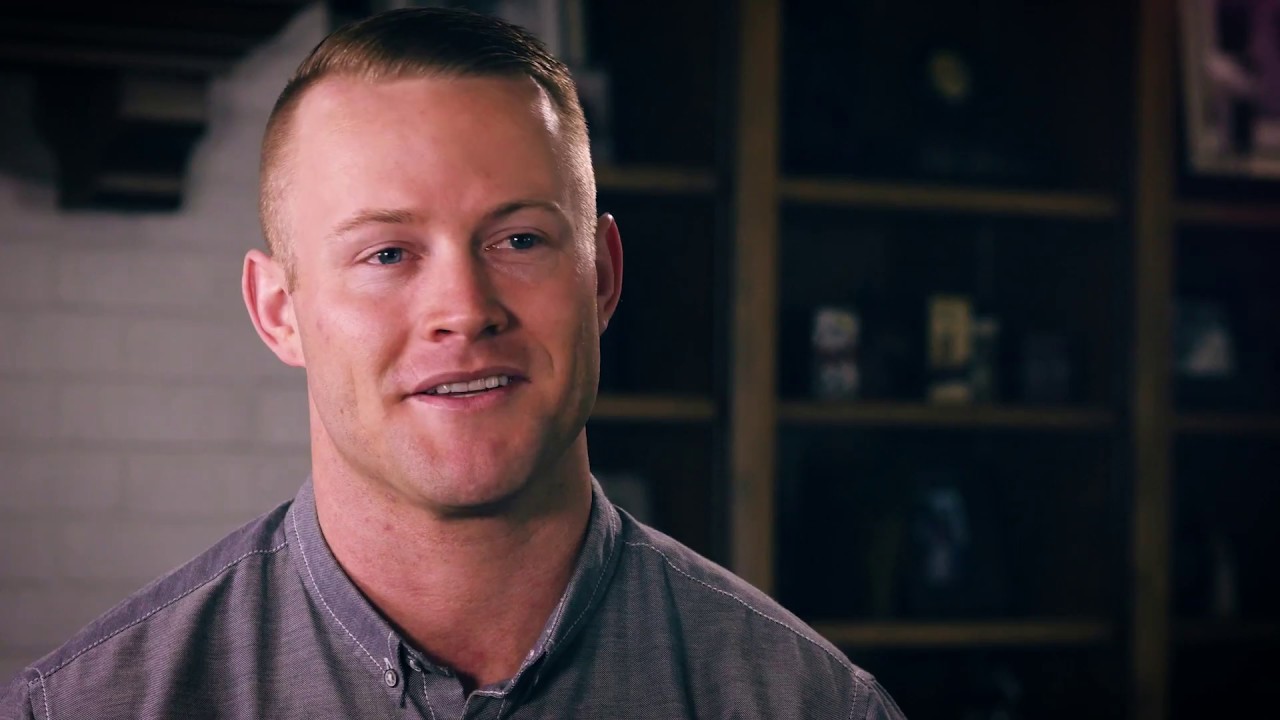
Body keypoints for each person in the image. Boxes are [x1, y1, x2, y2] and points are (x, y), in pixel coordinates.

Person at [1, 8, 904, 719]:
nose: (465, 311)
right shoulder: (88, 707)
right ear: (280, 311)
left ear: (602, 277)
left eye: (517, 238)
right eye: (387, 254)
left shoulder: (808, 703)